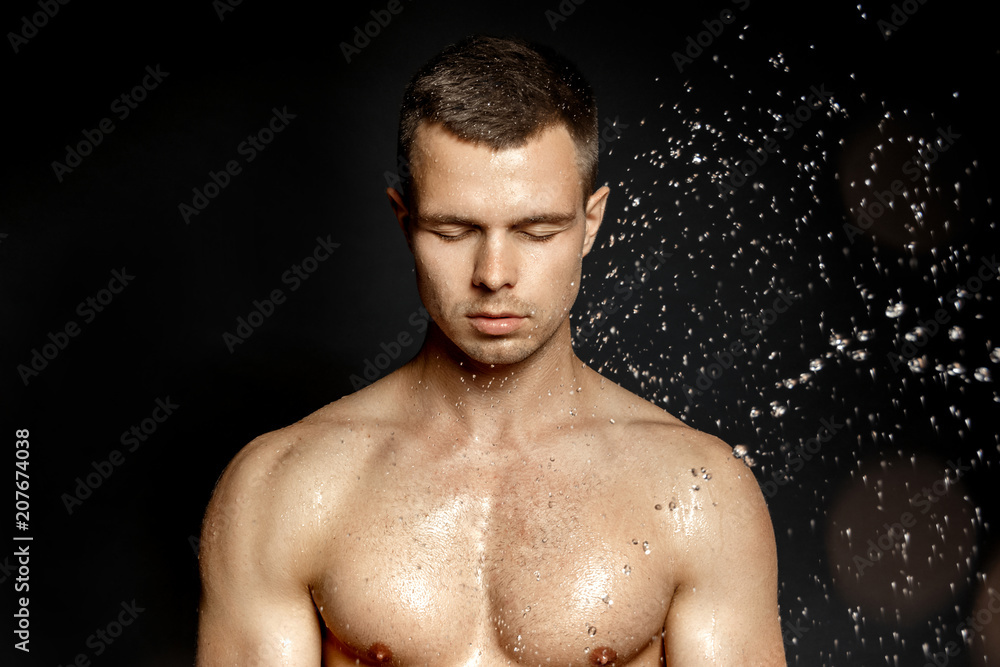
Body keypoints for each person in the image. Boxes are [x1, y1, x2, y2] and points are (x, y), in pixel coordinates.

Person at [196, 35, 785, 666]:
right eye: (454, 231)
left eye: (537, 231)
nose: (494, 274)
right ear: (405, 223)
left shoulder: (699, 495)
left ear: (590, 222)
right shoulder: (284, 486)